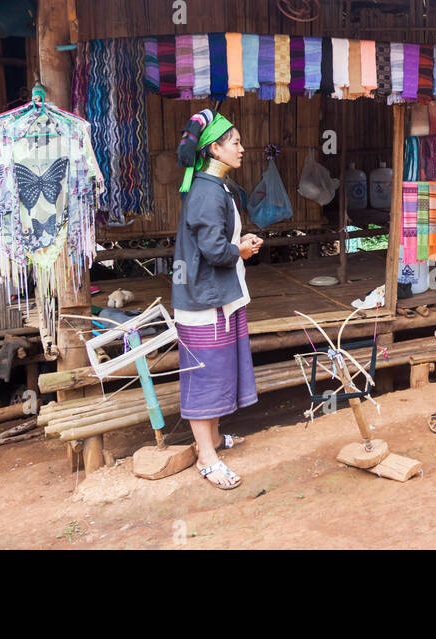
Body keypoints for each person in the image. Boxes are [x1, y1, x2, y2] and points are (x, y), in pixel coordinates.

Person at [171, 109, 263, 490]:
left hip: (214, 296)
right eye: (235, 142)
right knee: (205, 377)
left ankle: (212, 440)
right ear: (213, 149)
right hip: (203, 300)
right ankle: (206, 458)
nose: (242, 148)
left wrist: (238, 247)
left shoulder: (216, 187)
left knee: (216, 370)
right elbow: (211, 249)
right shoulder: (207, 192)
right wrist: (238, 251)